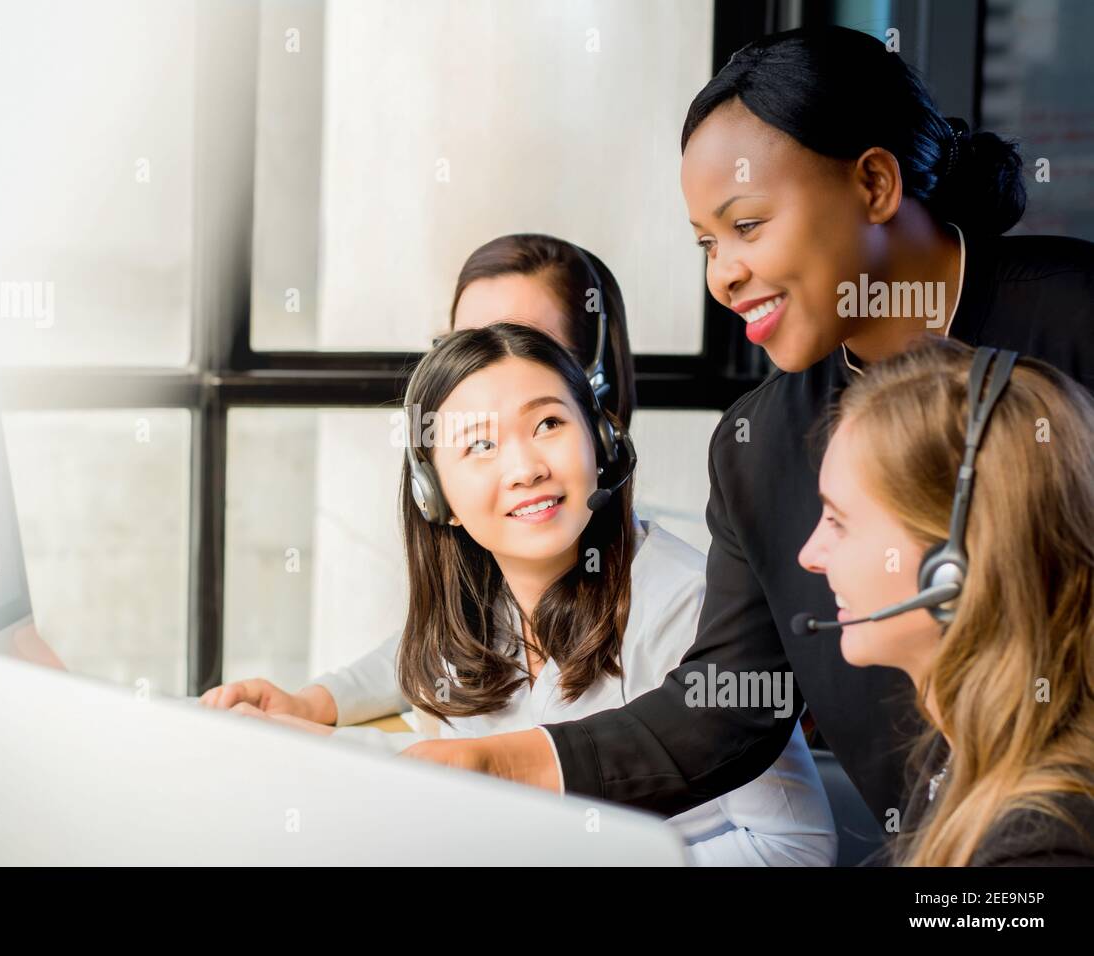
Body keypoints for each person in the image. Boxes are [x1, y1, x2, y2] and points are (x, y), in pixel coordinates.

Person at [396, 26, 1094, 841]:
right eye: (705, 242)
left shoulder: (1075, 321)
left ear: (872, 183)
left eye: (748, 225)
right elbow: (728, 706)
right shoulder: (758, 444)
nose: (721, 274)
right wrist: (499, 763)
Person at [219, 322, 836, 865]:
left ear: (601, 441)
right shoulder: (475, 614)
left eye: (547, 423)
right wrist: (301, 718)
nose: (526, 468)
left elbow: (796, 847)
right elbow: (460, 776)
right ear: (436, 500)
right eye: (480, 445)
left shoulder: (684, 605)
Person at [201, 233, 635, 726]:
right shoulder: (493, 567)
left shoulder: (672, 595)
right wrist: (313, 704)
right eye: (466, 344)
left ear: (591, 393)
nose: (493, 366)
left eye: (530, 345)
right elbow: (435, 650)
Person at [798, 339, 1094, 865]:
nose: (809, 555)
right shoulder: (964, 744)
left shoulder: (1047, 845)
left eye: (839, 522)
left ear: (955, 568)